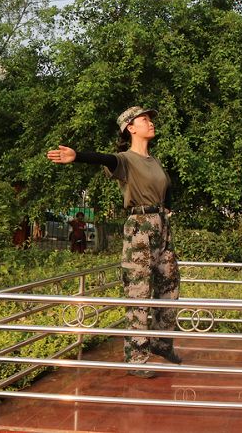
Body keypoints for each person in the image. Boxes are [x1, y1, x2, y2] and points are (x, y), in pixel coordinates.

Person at [47, 106, 181, 378]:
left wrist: (168, 211)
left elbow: (167, 190)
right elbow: (105, 159)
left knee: (169, 283)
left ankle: (162, 342)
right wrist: (78, 157)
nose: (150, 123)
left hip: (162, 225)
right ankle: (136, 356)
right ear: (130, 128)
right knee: (139, 290)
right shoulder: (124, 159)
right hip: (140, 227)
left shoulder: (154, 161)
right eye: (145, 119)